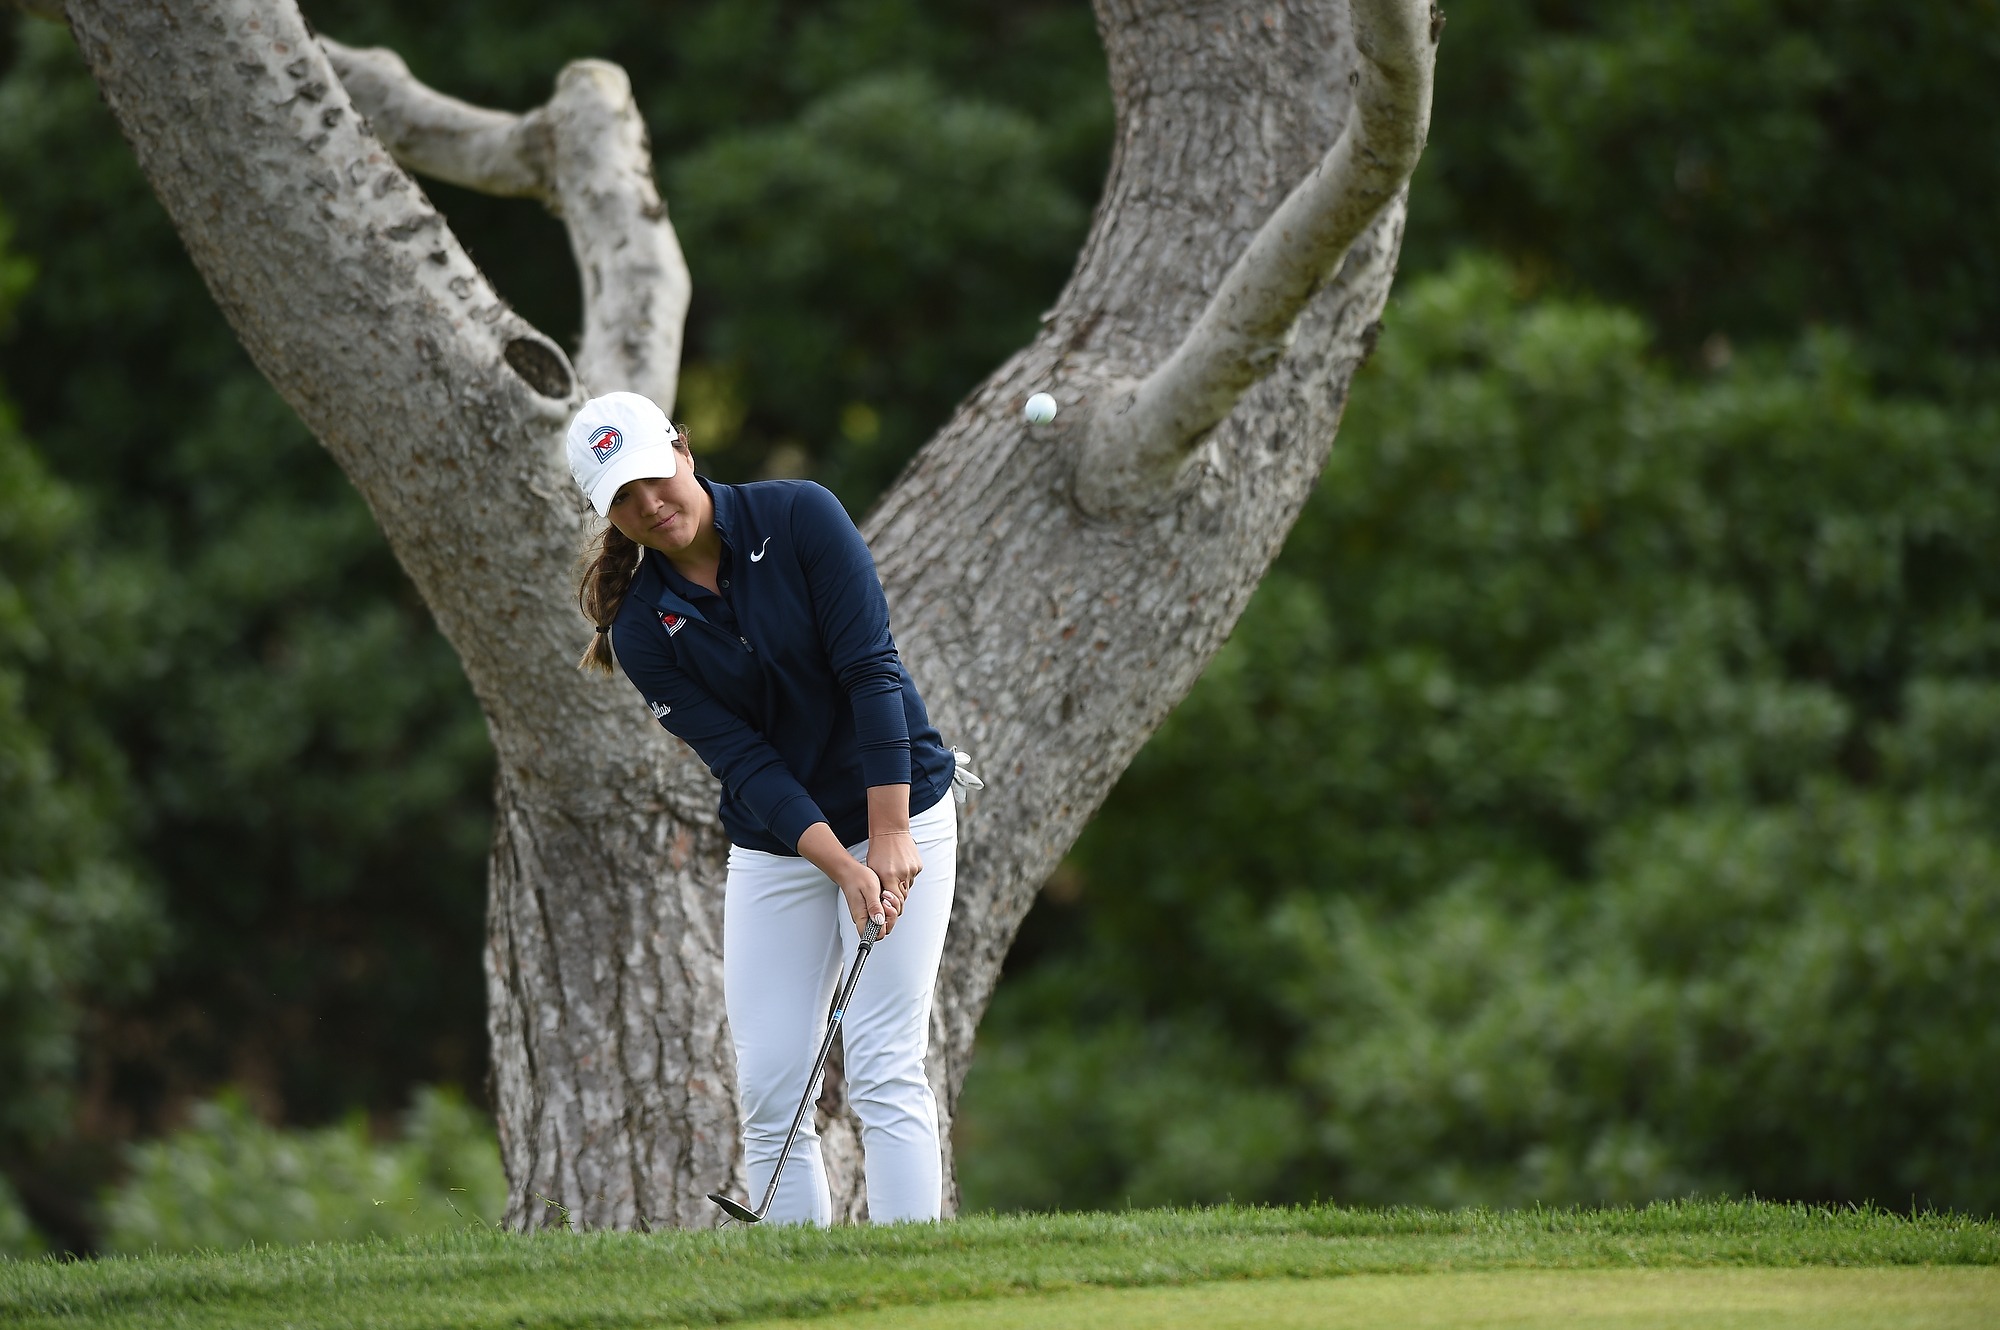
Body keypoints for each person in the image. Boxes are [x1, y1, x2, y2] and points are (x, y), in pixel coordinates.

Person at [566, 391, 968, 1225]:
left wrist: (885, 836)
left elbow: (871, 671)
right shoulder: (641, 627)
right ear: (608, 514)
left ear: (681, 448)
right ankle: (801, 1284)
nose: (649, 504)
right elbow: (744, 760)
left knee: (882, 1056)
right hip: (780, 841)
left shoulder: (800, 516)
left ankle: (912, 1285)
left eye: (651, 477)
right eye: (622, 499)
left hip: (901, 805)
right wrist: (841, 865)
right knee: (772, 1079)